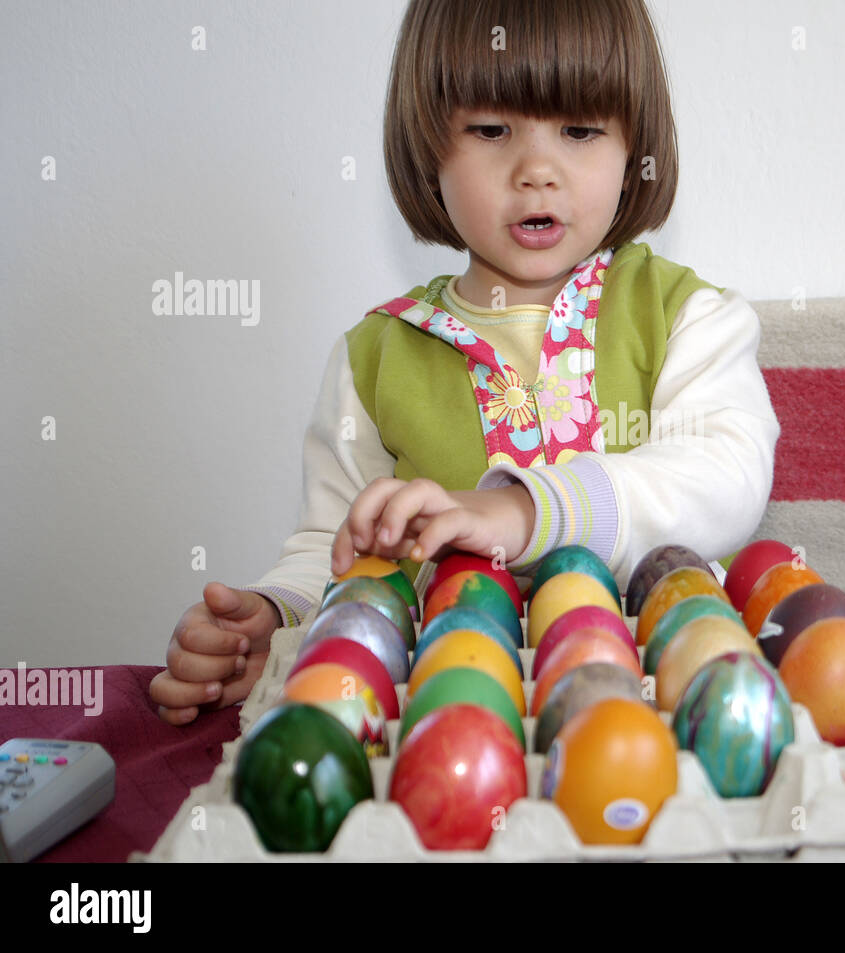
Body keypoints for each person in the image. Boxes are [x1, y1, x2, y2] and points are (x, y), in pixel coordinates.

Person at [150, 0, 779, 725]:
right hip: (451, 726)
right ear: (428, 147)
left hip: (668, 713)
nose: (538, 170)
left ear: (635, 145)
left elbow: (727, 475)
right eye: (491, 129)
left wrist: (522, 509)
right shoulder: (375, 358)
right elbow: (332, 548)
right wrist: (279, 622)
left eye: (579, 130)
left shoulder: (688, 319)